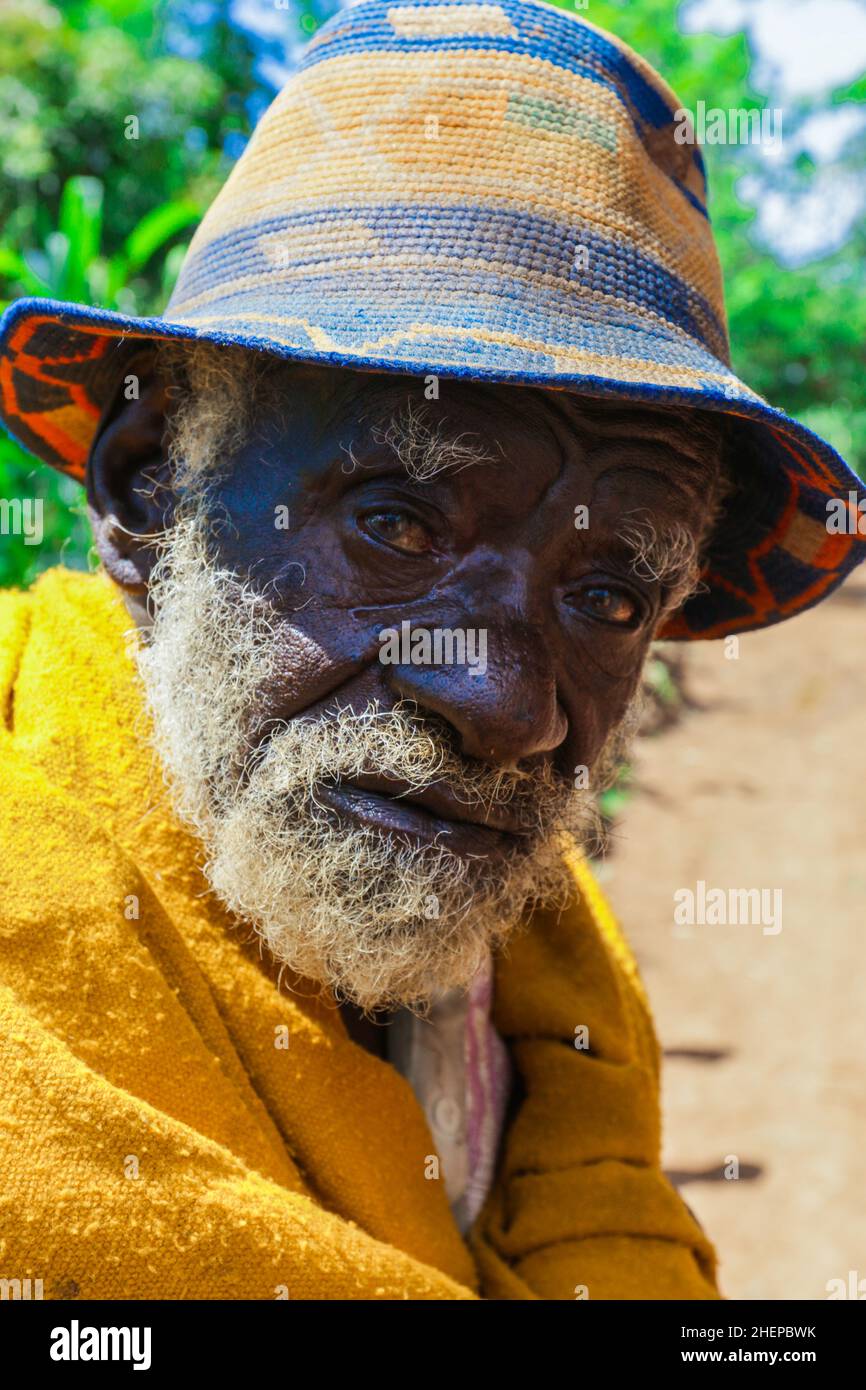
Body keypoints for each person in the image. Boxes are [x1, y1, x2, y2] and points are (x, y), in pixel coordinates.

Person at [0, 0, 862, 1301]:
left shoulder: (551, 1011)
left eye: (607, 598)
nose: (508, 701)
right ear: (150, 488)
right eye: (396, 522)